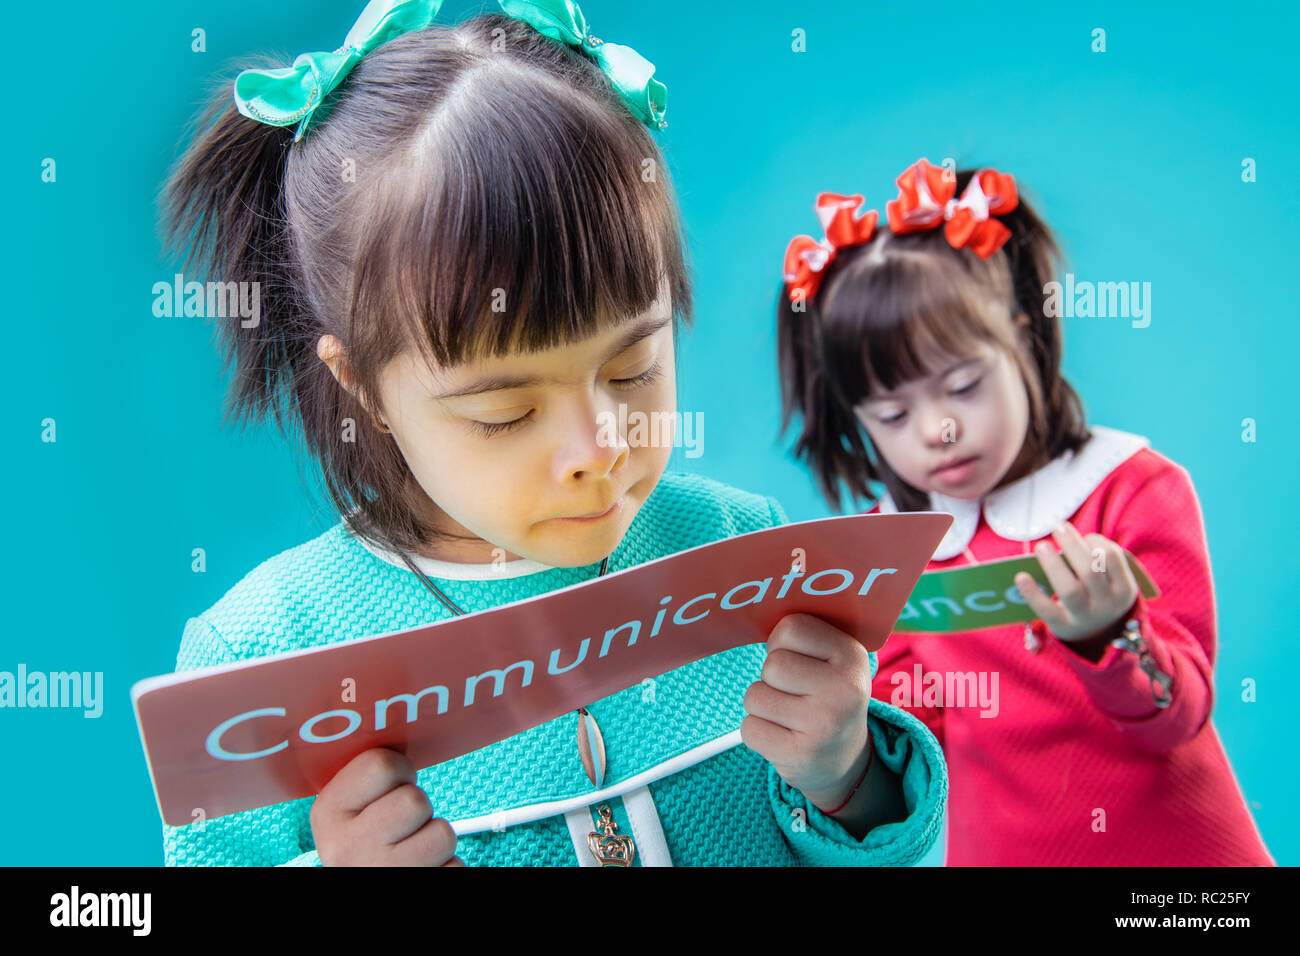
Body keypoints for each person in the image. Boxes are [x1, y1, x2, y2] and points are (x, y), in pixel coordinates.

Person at [156, 0, 946, 866]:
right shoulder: (265, 661)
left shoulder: (748, 554)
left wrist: (850, 782)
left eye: (634, 366)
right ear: (363, 386)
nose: (597, 448)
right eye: (506, 412)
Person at [775, 157, 1275, 865]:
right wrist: (838, 732)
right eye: (892, 414)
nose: (936, 431)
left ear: (1021, 337)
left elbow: (1180, 715)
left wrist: (1110, 633)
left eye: (965, 385)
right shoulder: (891, 554)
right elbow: (912, 760)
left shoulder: (1129, 487)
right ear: (855, 418)